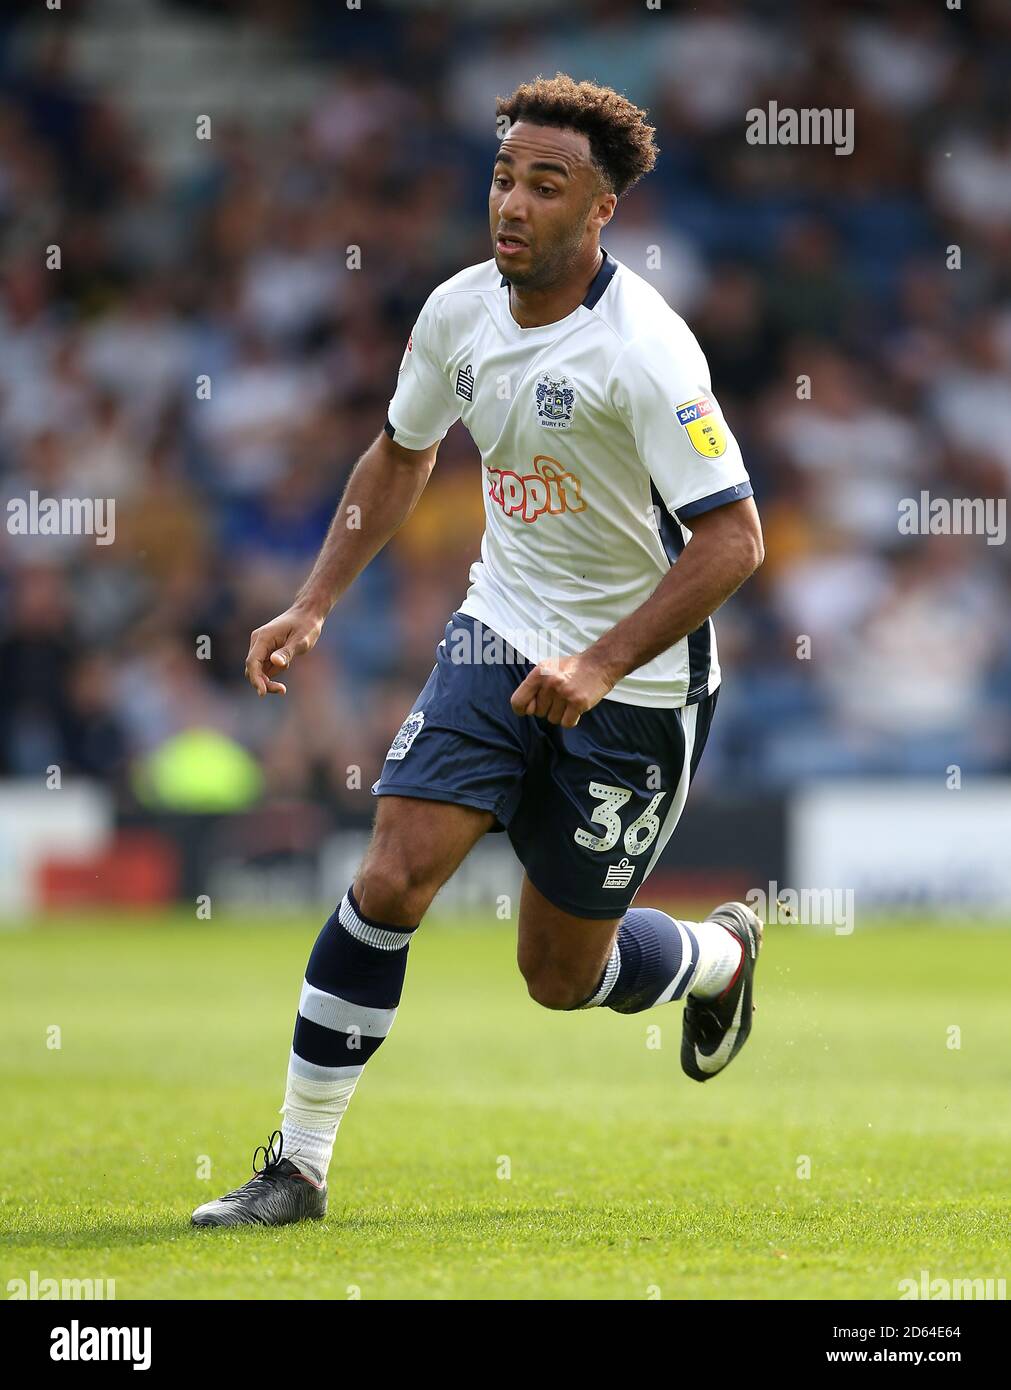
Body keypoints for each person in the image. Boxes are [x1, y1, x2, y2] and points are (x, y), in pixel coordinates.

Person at [192, 75, 765, 1229]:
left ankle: (718, 959)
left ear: (600, 210)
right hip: (498, 631)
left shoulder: (647, 352)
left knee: (560, 975)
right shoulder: (458, 312)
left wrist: (601, 662)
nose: (512, 203)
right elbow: (401, 453)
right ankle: (296, 1167)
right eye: (504, 177)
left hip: (638, 683)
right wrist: (313, 604)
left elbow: (734, 540)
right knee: (392, 874)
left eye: (545, 185)